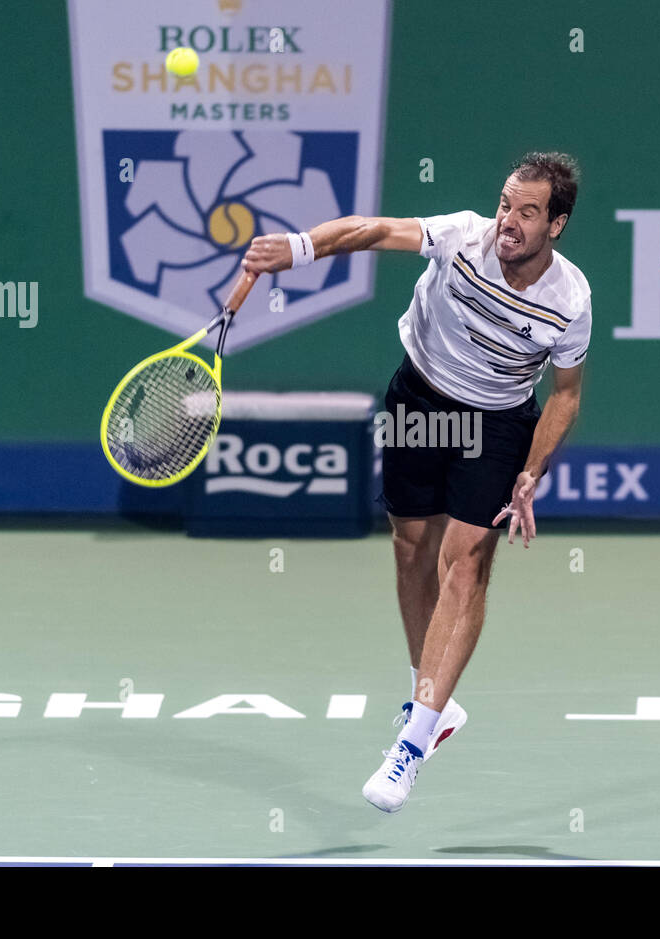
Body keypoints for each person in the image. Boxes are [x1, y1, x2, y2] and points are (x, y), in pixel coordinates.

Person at [241, 151, 591, 812]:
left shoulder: (570, 300)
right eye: (505, 204)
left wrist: (530, 471)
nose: (507, 222)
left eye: (528, 212)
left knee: (465, 568)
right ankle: (429, 696)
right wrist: (298, 247)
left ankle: (413, 743)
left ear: (557, 225)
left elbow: (567, 395)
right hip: (418, 401)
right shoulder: (462, 238)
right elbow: (371, 231)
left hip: (497, 424)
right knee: (410, 549)